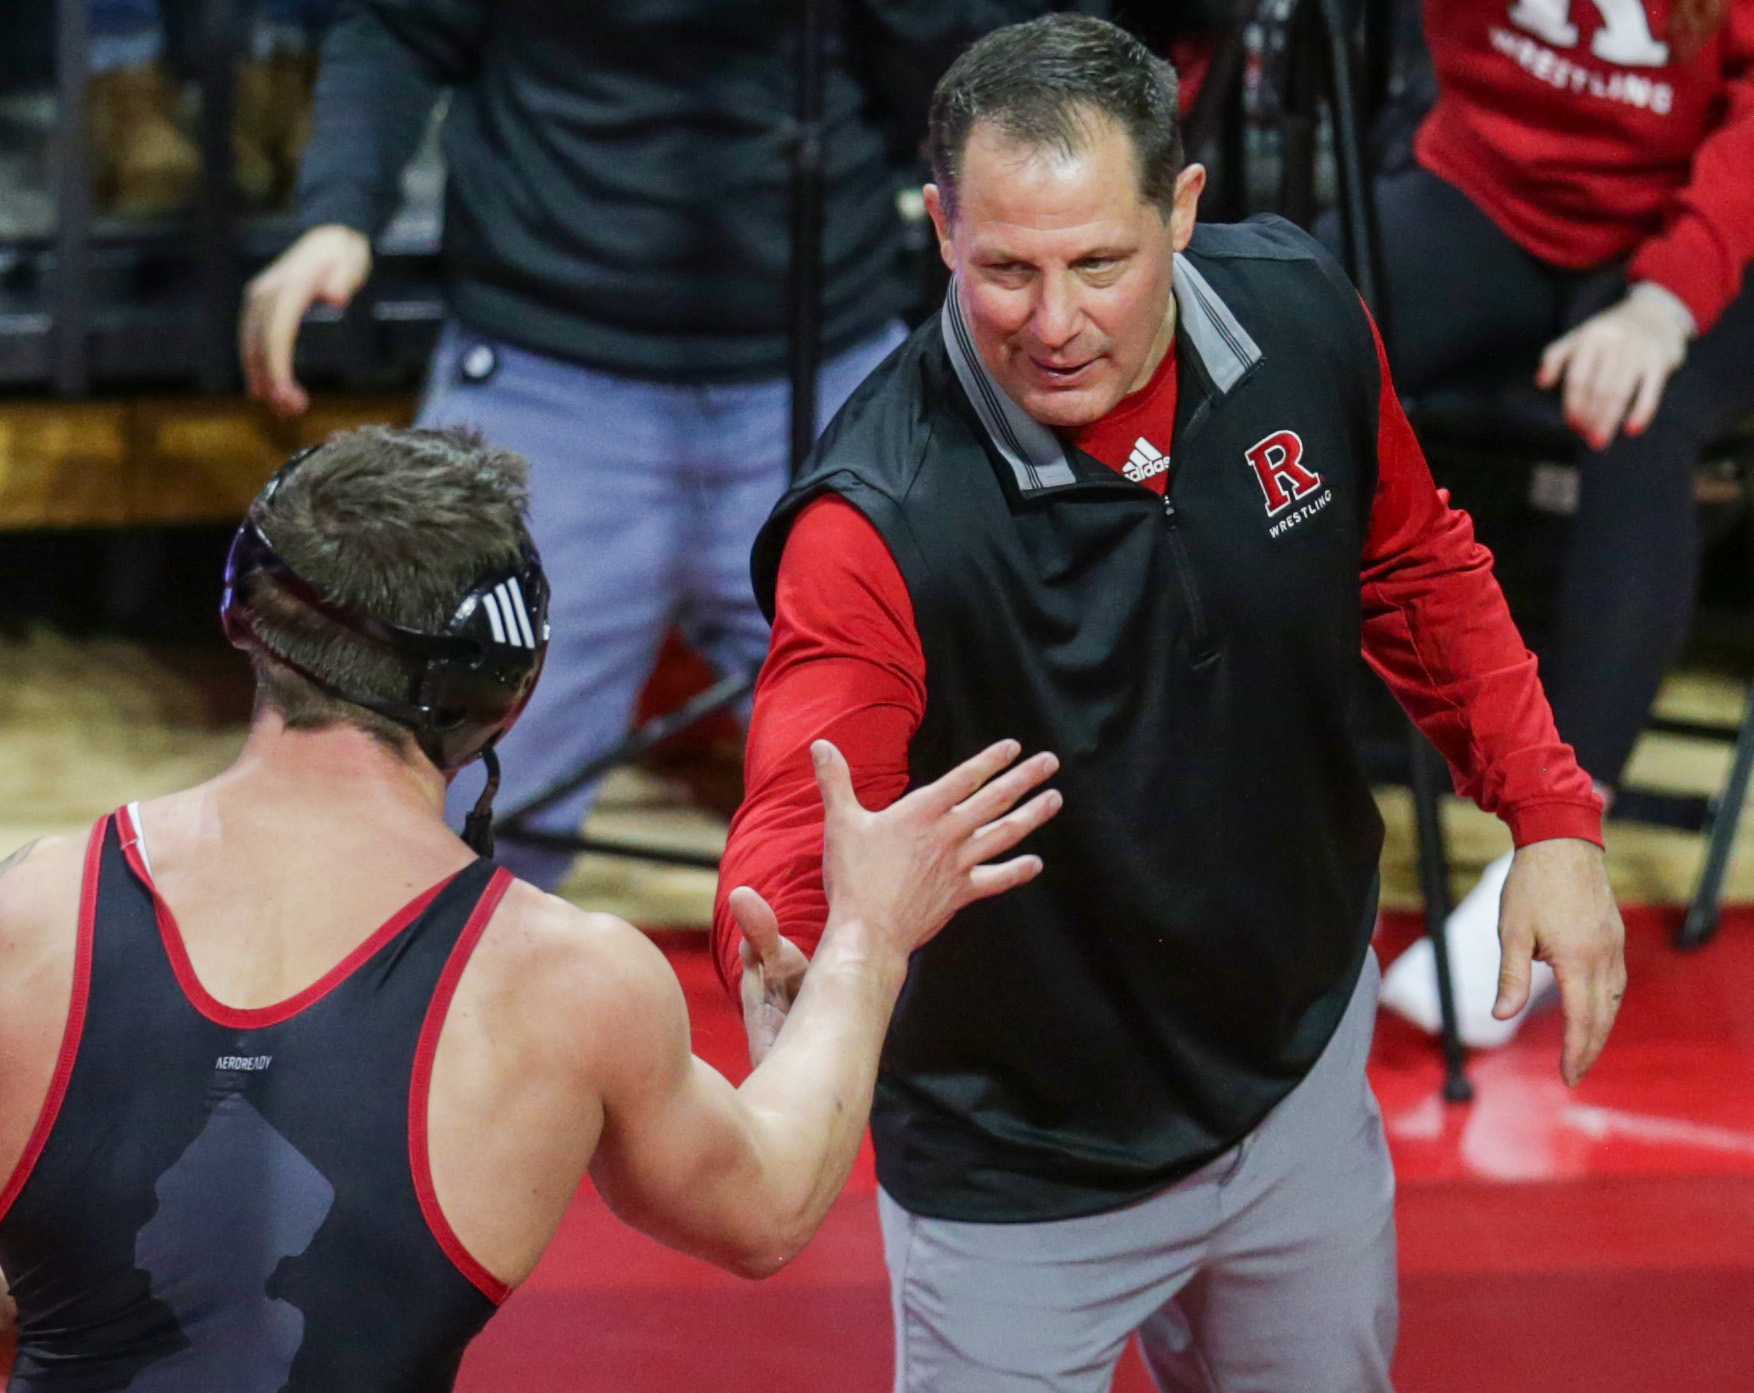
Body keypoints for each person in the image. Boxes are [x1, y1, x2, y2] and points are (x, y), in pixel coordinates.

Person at [711, 16, 1627, 1392]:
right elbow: (806, 791)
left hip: (1294, 1074)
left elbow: (1414, 561)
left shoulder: (1301, 312)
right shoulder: (879, 517)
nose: (1056, 321)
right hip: (1017, 1169)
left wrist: (1548, 813)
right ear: (940, 227)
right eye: (1005, 269)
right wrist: (788, 949)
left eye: (1098, 262)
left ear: (1182, 210)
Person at [0, 426, 1061, 1389]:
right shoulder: (565, 980)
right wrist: (867, 941)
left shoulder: (27, 909)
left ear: (240, 614)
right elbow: (764, 1209)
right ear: (511, 681)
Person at [237, 0, 1064, 892]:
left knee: (932, 808)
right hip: (546, 374)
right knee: (435, 827)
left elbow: (960, 81)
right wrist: (339, 212)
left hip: (826, 376)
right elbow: (398, 28)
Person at [1370, 0, 1754, 1046]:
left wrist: (1661, 305)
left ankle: (1550, 855)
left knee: (1636, 413)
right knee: (1284, 338)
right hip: (1486, 189)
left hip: (1703, 221)